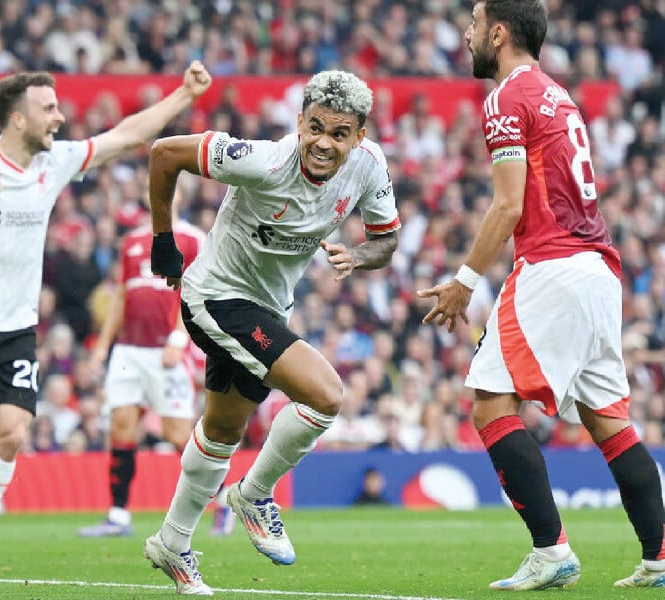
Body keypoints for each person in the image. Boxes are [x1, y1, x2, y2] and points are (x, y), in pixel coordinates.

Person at [0, 35, 211, 566]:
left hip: (16, 329)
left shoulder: (58, 163)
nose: (59, 117)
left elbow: (124, 136)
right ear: (18, 120)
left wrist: (182, 96)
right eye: (47, 108)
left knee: (10, 433)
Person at [418, 0, 665, 591]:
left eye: (475, 24)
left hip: (552, 266)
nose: (469, 33)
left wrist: (464, 281)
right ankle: (659, 558)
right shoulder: (557, 93)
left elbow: (507, 204)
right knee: (609, 422)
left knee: (489, 405)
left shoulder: (507, 97)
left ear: (498, 33)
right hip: (600, 271)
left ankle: (551, 552)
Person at [143, 69, 400, 595]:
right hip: (215, 297)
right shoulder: (262, 160)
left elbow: (387, 240)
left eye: (339, 133)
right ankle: (256, 492)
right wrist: (163, 241)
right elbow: (164, 153)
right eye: (315, 128)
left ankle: (172, 543)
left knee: (222, 432)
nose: (324, 143)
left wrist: (357, 255)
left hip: (266, 309)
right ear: (300, 123)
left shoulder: (370, 169)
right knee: (325, 394)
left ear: (360, 138)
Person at [78, 191, 205, 538]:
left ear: (180, 195)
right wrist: (103, 346)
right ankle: (118, 515)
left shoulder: (194, 239)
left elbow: (198, 291)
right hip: (128, 351)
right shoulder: (133, 240)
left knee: (176, 433)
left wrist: (180, 339)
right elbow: (122, 294)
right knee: (121, 427)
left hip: (166, 350)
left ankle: (223, 499)